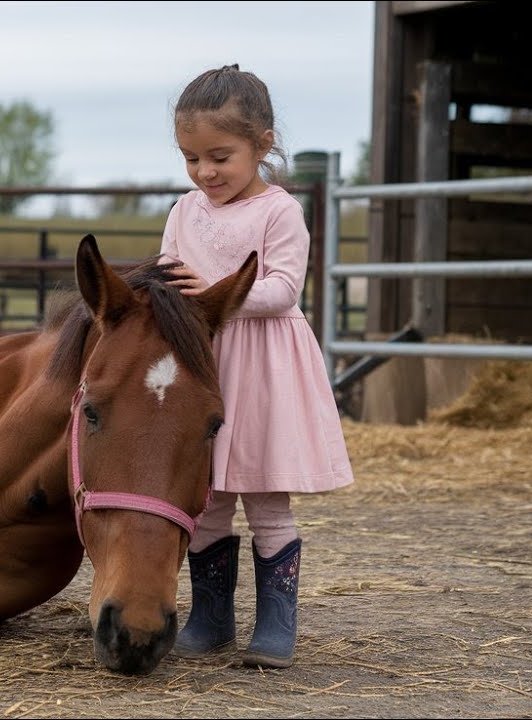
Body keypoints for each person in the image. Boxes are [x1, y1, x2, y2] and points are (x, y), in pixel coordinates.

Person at [157, 64, 354, 669]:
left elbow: (282, 292)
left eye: (220, 156)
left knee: (266, 499)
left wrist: (213, 289)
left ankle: (275, 626)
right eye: (191, 158)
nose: (205, 172)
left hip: (264, 366)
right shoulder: (183, 212)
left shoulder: (279, 213)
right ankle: (209, 619)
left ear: (262, 144)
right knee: (207, 498)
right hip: (205, 366)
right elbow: (169, 278)